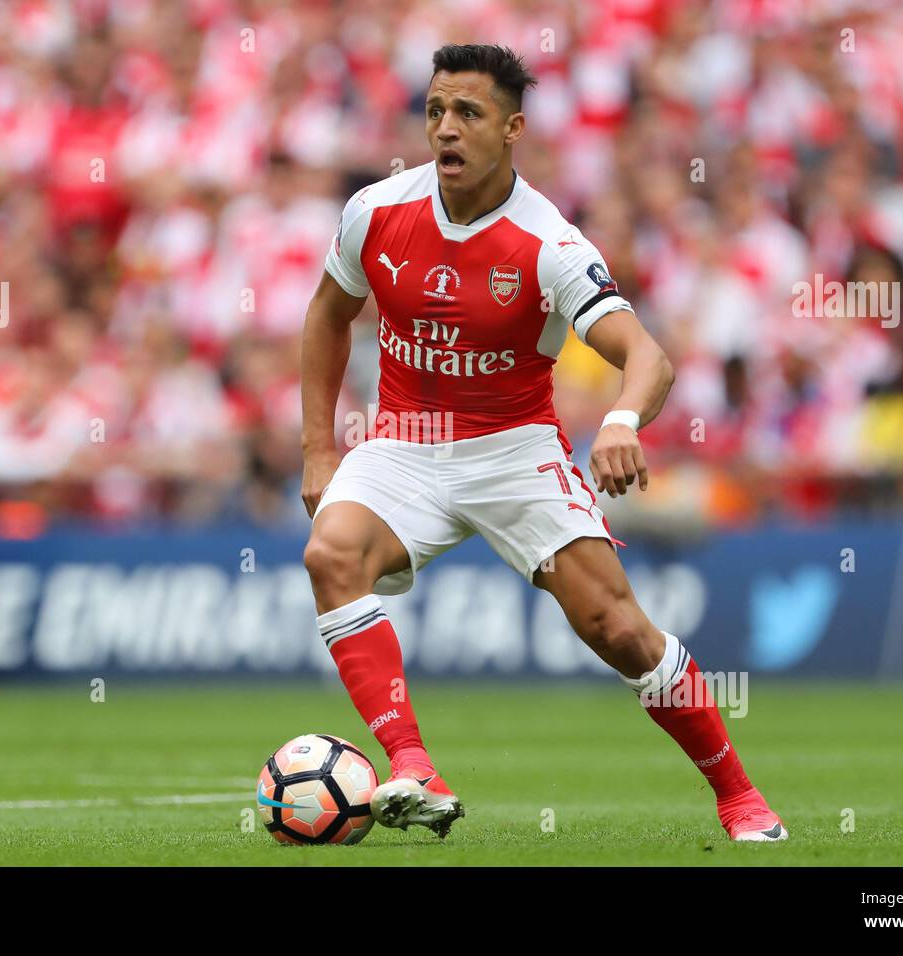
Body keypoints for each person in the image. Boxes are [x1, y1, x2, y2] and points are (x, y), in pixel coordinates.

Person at [299, 45, 786, 841]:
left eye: (468, 114)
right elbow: (326, 313)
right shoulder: (376, 210)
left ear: (513, 128)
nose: (445, 129)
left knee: (618, 630)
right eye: (434, 111)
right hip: (403, 445)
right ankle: (413, 765)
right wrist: (320, 448)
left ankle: (739, 795)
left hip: (513, 450)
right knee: (331, 555)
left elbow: (647, 358)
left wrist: (622, 421)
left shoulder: (549, 244)